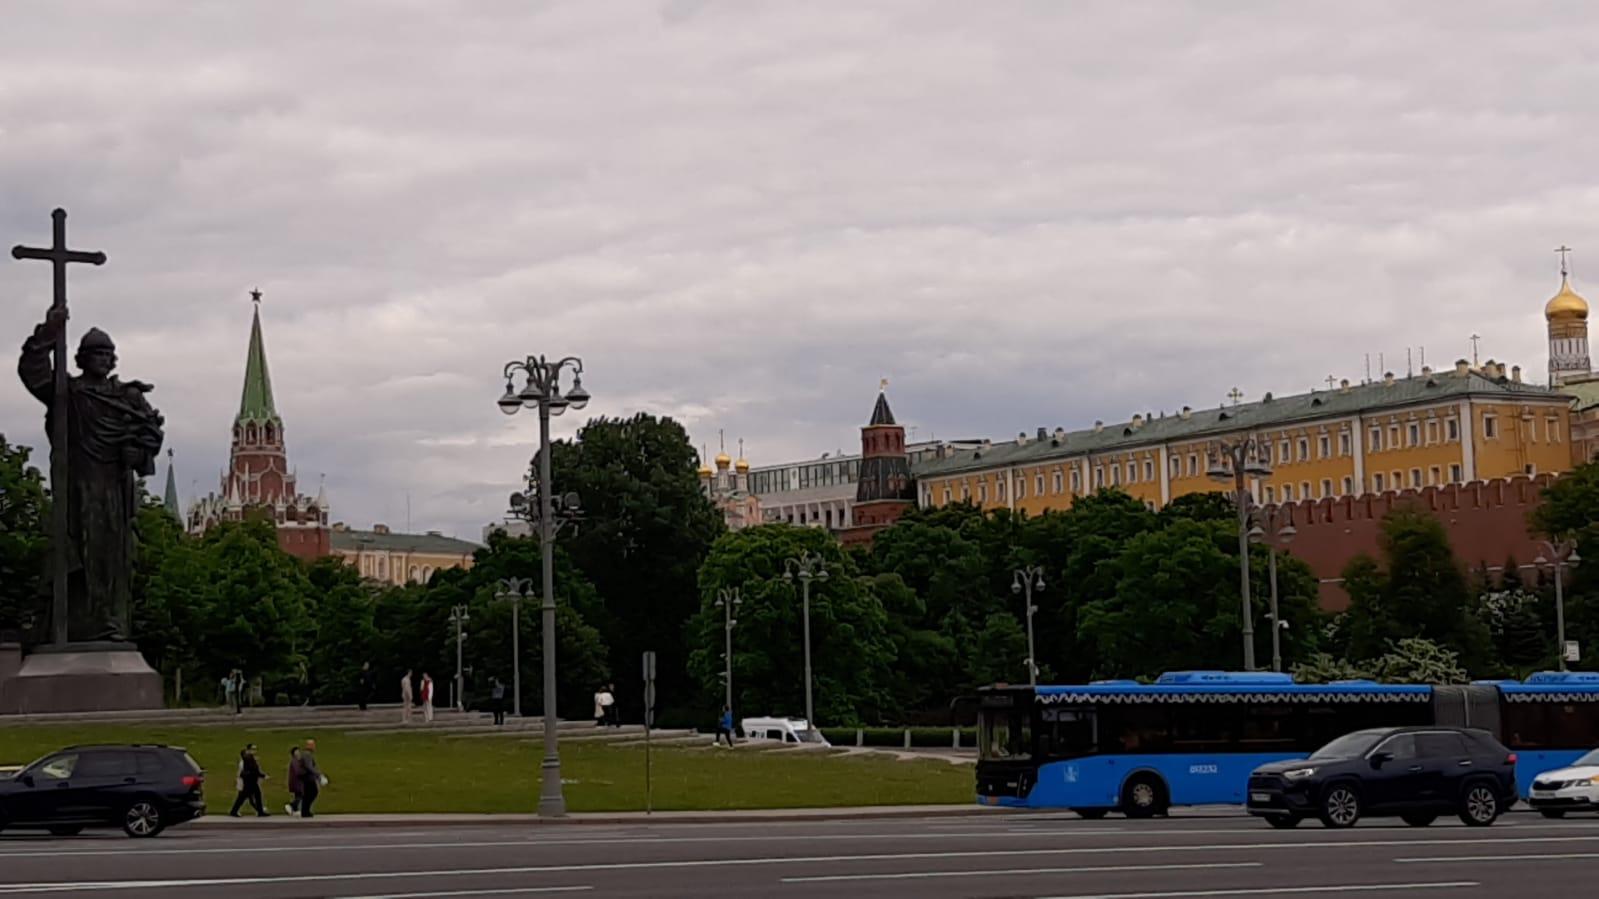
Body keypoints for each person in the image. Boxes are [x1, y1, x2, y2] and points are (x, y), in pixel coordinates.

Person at [229, 743, 269, 817]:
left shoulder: (250, 758)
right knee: (243, 797)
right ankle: (234, 811)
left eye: (255, 749)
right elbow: (253, 770)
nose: (254, 751)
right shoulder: (248, 758)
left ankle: (260, 811)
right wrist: (262, 775)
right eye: (253, 749)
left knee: (252, 795)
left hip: (251, 781)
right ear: (248, 750)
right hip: (249, 781)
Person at [299, 739, 326, 818]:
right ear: (309, 746)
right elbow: (309, 766)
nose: (314, 747)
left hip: (308, 777)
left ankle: (305, 811)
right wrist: (318, 774)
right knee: (312, 793)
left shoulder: (307, 754)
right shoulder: (307, 754)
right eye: (313, 745)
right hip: (308, 778)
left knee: (308, 794)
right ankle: (305, 811)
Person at [284, 746, 304, 816]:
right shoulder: (295, 761)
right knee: (301, 795)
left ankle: (295, 810)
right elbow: (298, 771)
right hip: (296, 781)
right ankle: (291, 805)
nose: (298, 753)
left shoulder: (296, 761)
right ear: (294, 753)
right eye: (297, 751)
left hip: (295, 781)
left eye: (299, 751)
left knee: (297, 795)